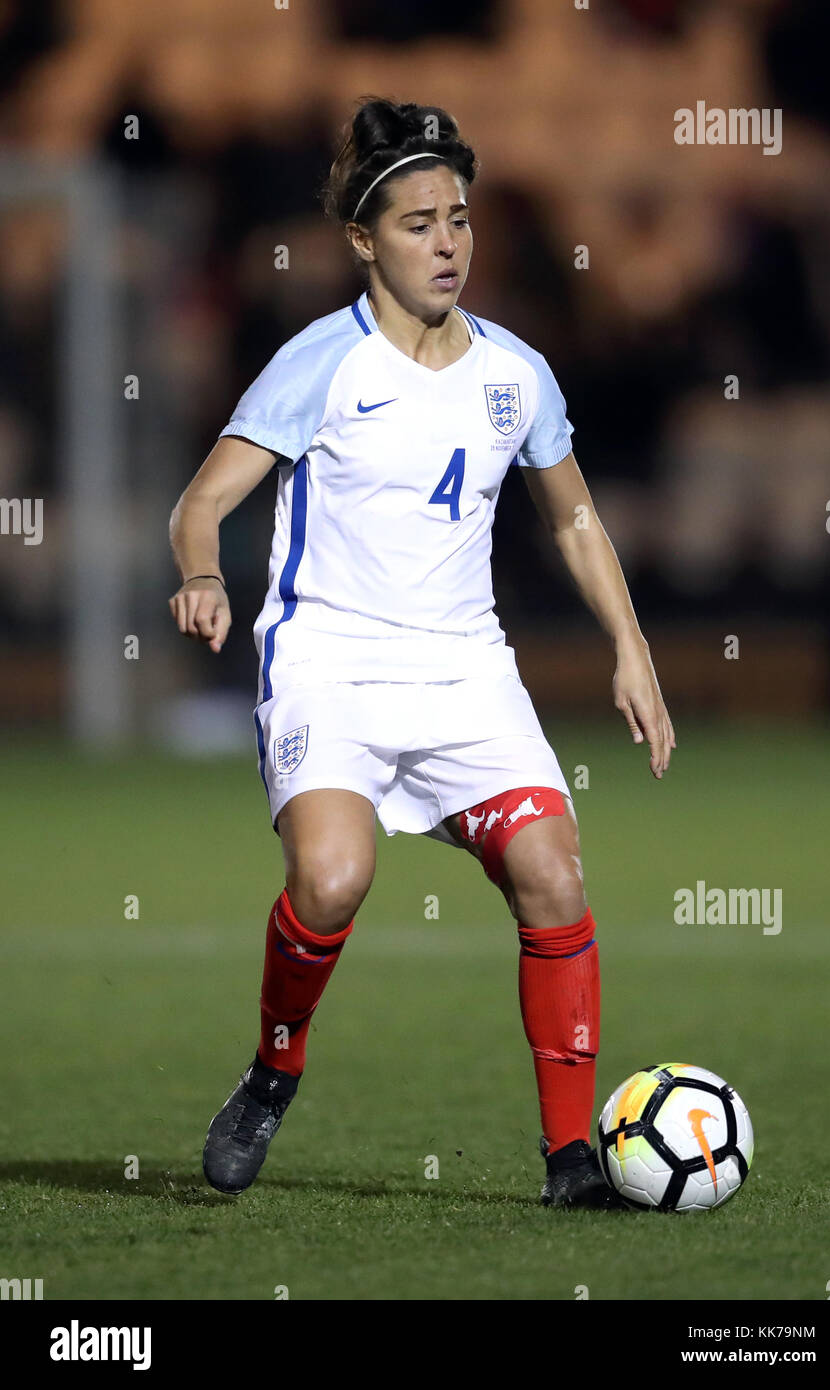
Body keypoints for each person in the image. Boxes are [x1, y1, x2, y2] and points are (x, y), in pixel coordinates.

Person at [168, 97, 675, 1209]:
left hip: (463, 670)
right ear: (361, 239)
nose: (446, 243)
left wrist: (628, 648)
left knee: (551, 871)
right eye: (416, 223)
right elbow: (201, 501)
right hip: (331, 661)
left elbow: (574, 519)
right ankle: (272, 1071)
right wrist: (203, 573)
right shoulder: (319, 363)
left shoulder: (515, 373)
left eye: (459, 219)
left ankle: (569, 1160)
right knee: (334, 876)